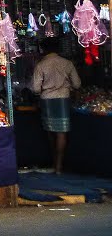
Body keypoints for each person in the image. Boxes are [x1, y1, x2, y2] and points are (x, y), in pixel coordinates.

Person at [32, 36, 81, 174]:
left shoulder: (41, 65)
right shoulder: (67, 63)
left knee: (50, 132)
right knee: (61, 133)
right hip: (63, 98)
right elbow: (77, 84)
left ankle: (54, 162)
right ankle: (59, 166)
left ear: (44, 49)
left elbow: (35, 88)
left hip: (47, 99)